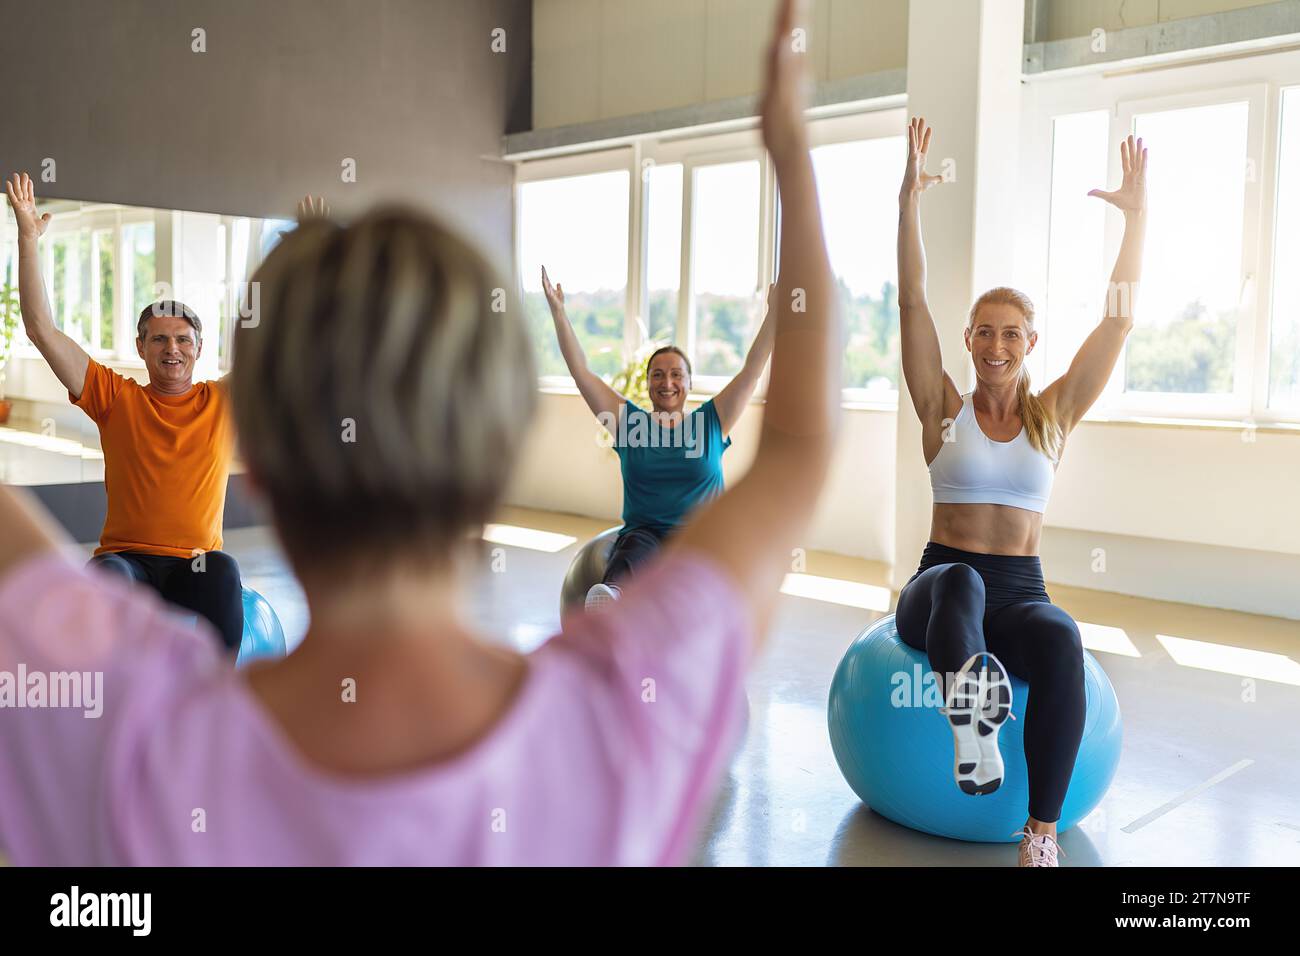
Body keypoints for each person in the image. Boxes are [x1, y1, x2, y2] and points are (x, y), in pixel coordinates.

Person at [0, 0, 839, 865]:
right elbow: (800, 457)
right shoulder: (616, 725)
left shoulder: (132, 745)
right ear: (496, 460)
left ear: (266, 475)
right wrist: (792, 158)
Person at [893, 117, 1148, 867]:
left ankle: (1039, 835)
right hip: (940, 591)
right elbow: (911, 302)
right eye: (982, 332)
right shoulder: (943, 409)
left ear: (1030, 343)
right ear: (967, 340)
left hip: (1021, 591)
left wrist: (1137, 220)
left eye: (1011, 333)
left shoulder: (1054, 415)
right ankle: (971, 723)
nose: (995, 346)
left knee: (1061, 635)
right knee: (963, 581)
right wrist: (908, 200)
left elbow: (1119, 318)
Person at [4, 172, 242, 651]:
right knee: (105, 575)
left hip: (195, 564)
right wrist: (28, 239)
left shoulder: (224, 403)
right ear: (141, 347)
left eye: (182, 340)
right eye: (159, 339)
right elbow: (42, 330)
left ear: (198, 349)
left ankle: (216, 705)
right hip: (127, 562)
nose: (171, 349)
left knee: (223, 570)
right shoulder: (116, 397)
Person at [542, 271, 777, 609]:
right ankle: (613, 601)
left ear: (689, 382)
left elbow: (752, 369)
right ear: (649, 383)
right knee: (634, 549)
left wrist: (775, 312)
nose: (667, 382)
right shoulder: (629, 423)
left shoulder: (713, 419)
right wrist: (559, 313)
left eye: (676, 374)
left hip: (700, 539)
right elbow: (582, 372)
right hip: (645, 536)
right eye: (658, 374)